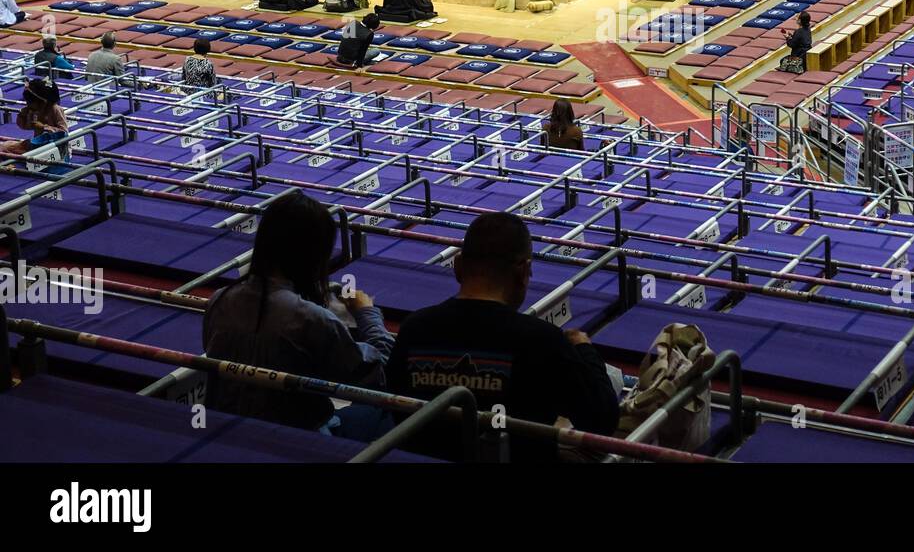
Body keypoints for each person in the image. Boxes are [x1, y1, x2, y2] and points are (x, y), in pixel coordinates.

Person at [385, 211, 619, 461]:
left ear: (458, 266)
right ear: (523, 271)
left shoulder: (413, 329)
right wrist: (585, 350)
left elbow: (396, 410)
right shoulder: (543, 341)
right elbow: (602, 420)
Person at [203, 191, 394, 439]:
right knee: (388, 412)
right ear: (314, 255)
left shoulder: (219, 299)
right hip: (295, 440)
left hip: (225, 432)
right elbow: (380, 373)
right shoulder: (310, 319)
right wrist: (367, 313)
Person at [0, 78, 67, 159]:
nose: (27, 104)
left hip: (56, 148)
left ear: (43, 102)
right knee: (5, 146)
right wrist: (22, 116)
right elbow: (25, 126)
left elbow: (64, 133)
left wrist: (43, 127)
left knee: (10, 151)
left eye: (30, 102)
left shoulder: (56, 110)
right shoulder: (34, 110)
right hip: (37, 144)